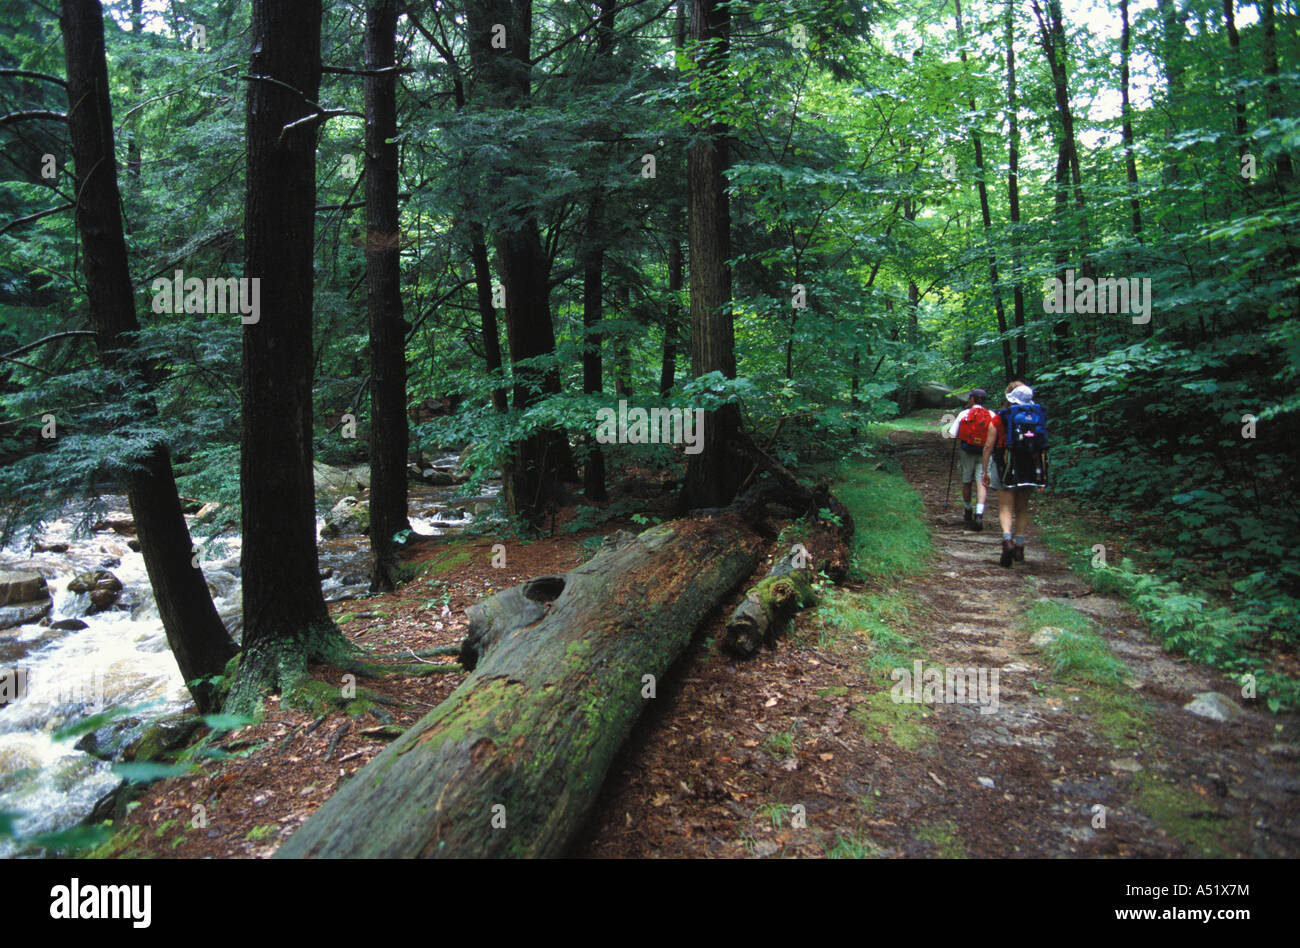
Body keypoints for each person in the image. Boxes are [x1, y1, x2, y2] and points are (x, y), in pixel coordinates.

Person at [981, 381, 1046, 567]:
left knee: (1005, 507)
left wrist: (984, 470)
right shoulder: (1036, 416)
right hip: (1029, 467)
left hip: (1005, 465)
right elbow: (1041, 447)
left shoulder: (999, 417)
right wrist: (1042, 475)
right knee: (1022, 508)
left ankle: (1007, 540)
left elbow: (988, 446)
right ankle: (1020, 545)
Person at [947, 388, 993, 530]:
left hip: (967, 451)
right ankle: (979, 514)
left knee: (967, 481)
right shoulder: (991, 415)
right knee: (981, 481)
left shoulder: (964, 414)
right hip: (985, 452)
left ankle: (968, 510)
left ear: (972, 399)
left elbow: (952, 434)